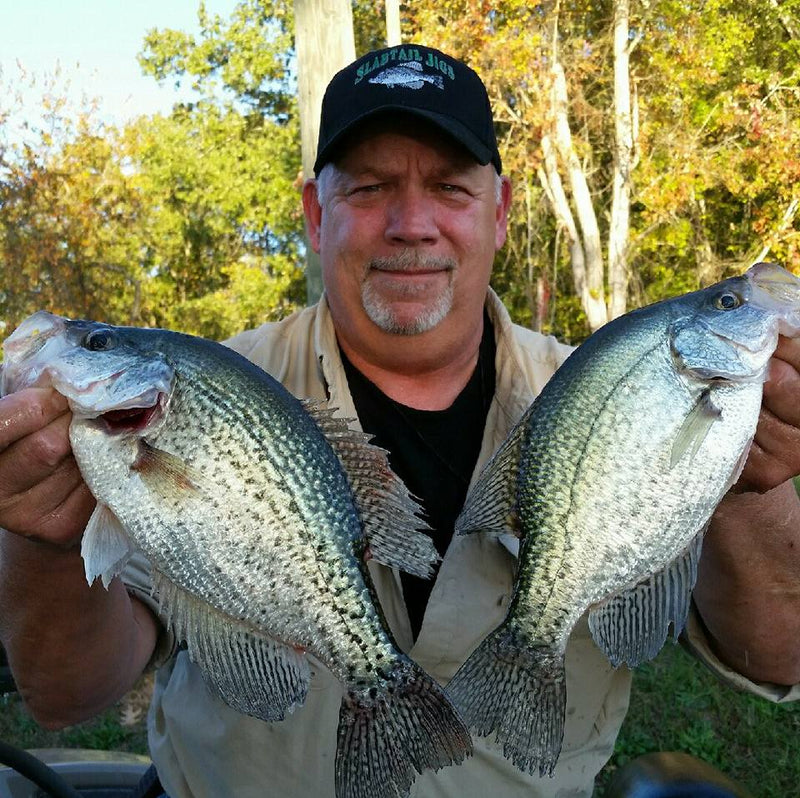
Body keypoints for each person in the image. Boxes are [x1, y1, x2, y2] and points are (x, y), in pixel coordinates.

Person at [1, 44, 799, 798]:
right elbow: (68, 698)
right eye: (369, 187)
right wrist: (44, 542)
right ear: (318, 215)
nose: (411, 223)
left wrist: (748, 483)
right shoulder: (216, 396)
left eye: (450, 186)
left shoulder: (608, 393)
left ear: (500, 212)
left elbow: (780, 653)